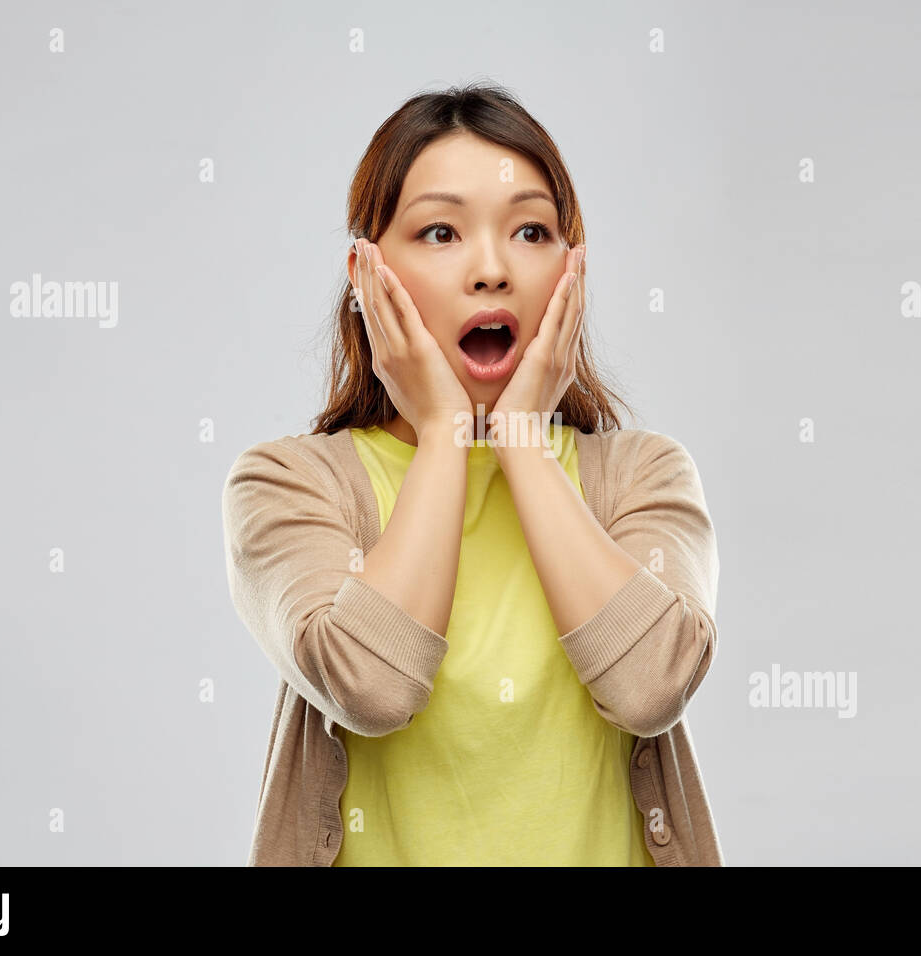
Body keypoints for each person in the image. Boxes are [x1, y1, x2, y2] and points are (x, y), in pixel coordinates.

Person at [221, 81, 723, 866]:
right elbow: (373, 690)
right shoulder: (289, 485)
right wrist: (447, 432)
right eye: (441, 232)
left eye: (530, 230)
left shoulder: (642, 475)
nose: (491, 270)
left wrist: (520, 435)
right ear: (366, 275)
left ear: (572, 268)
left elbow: (651, 687)